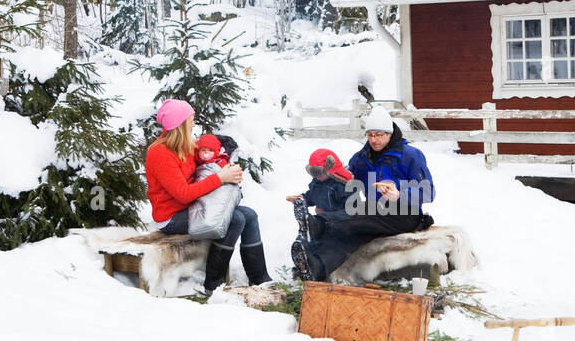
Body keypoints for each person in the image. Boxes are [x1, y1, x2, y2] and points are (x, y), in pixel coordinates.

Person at [290, 109, 434, 281]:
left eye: (379, 135)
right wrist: (310, 197)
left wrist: (399, 194)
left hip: (405, 215)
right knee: (347, 233)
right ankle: (315, 266)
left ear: (390, 134)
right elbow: (343, 183)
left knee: (366, 209)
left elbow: (429, 192)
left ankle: (318, 224)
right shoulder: (360, 159)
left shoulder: (410, 155)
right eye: (370, 134)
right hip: (373, 215)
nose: (374, 139)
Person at [145, 99, 271, 292]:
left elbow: (208, 159)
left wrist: (224, 167)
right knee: (235, 219)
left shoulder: (187, 145)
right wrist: (220, 179)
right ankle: (214, 285)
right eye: (191, 119)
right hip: (171, 217)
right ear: (180, 124)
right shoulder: (159, 153)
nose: (194, 124)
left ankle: (261, 280)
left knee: (250, 215)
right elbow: (183, 194)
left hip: (192, 207)